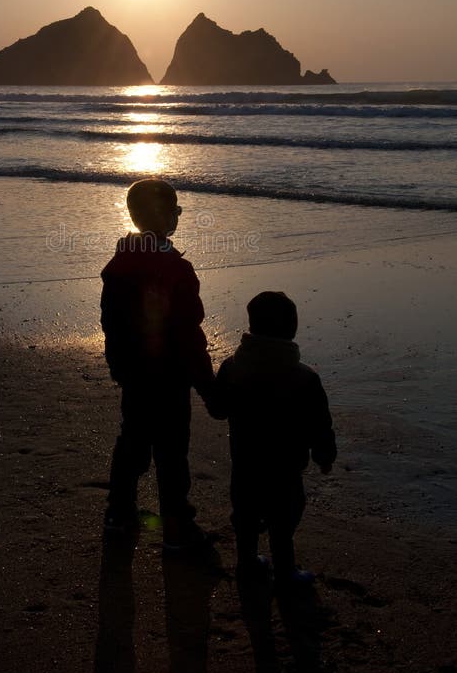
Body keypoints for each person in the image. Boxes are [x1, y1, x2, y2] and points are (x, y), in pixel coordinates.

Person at [100, 178, 214, 550]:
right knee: (171, 450)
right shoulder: (176, 270)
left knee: (132, 440)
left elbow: (110, 323)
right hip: (169, 376)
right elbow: (187, 333)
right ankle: (176, 527)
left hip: (134, 373)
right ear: (166, 216)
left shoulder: (118, 265)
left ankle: (119, 513)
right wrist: (206, 382)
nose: (178, 217)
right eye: (176, 210)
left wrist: (117, 362)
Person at [208, 291, 336, 585]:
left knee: (245, 516)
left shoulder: (232, 367)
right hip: (286, 466)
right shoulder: (304, 377)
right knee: (284, 519)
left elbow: (217, 410)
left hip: (246, 462)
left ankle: (248, 564)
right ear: (292, 329)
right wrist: (324, 457)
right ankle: (285, 571)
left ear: (251, 327)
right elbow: (320, 425)